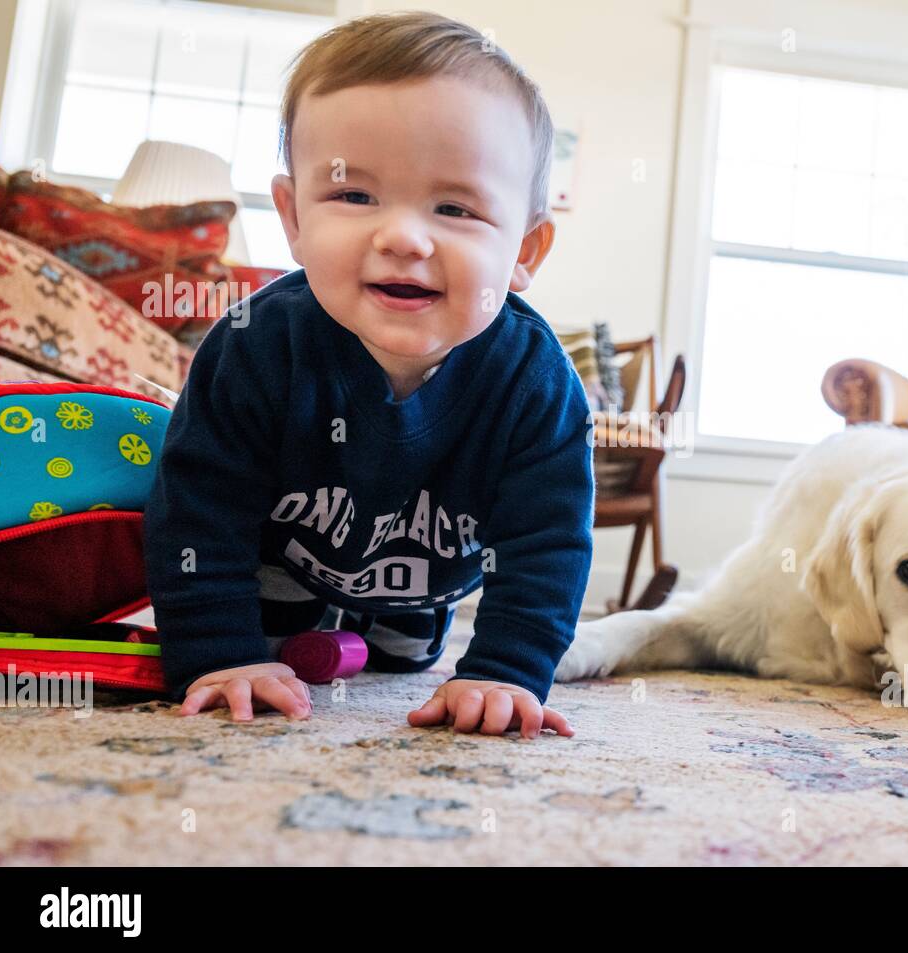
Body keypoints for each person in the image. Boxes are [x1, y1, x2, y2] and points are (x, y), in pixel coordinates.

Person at [143, 10, 594, 739]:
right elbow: (197, 510)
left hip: (429, 573)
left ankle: (393, 621)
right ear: (293, 216)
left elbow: (547, 544)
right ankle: (292, 619)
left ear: (525, 252)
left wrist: (507, 669)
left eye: (455, 207)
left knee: (405, 655)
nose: (403, 237)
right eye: (354, 195)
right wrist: (217, 654)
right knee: (274, 629)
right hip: (285, 553)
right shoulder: (253, 346)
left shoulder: (535, 383)